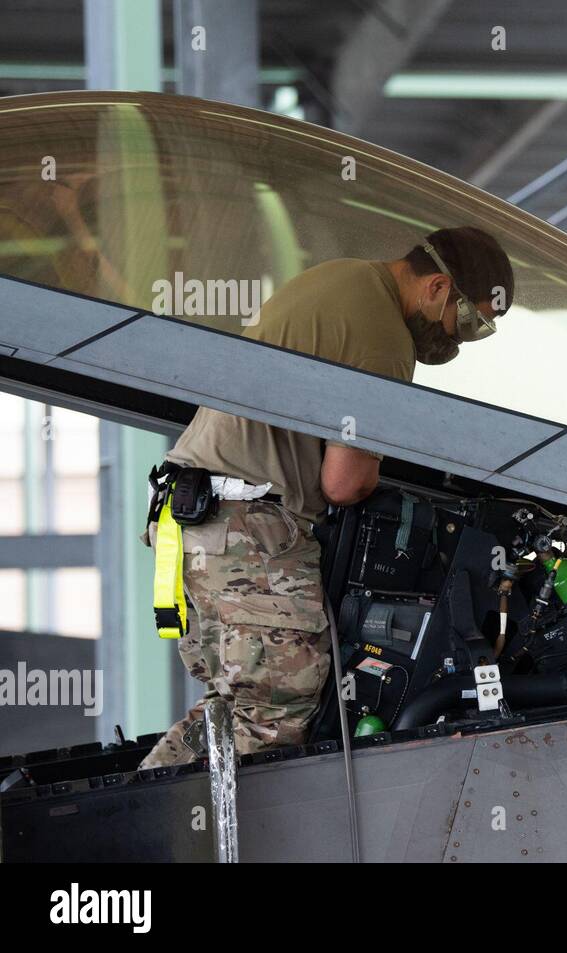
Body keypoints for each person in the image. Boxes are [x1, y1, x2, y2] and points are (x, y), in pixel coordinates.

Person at [138, 226, 514, 768]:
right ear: (437, 288)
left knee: (236, 711)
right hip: (246, 529)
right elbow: (345, 482)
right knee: (275, 718)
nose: (460, 340)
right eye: (470, 323)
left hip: (191, 519)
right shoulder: (382, 335)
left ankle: (144, 819)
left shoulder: (342, 278)